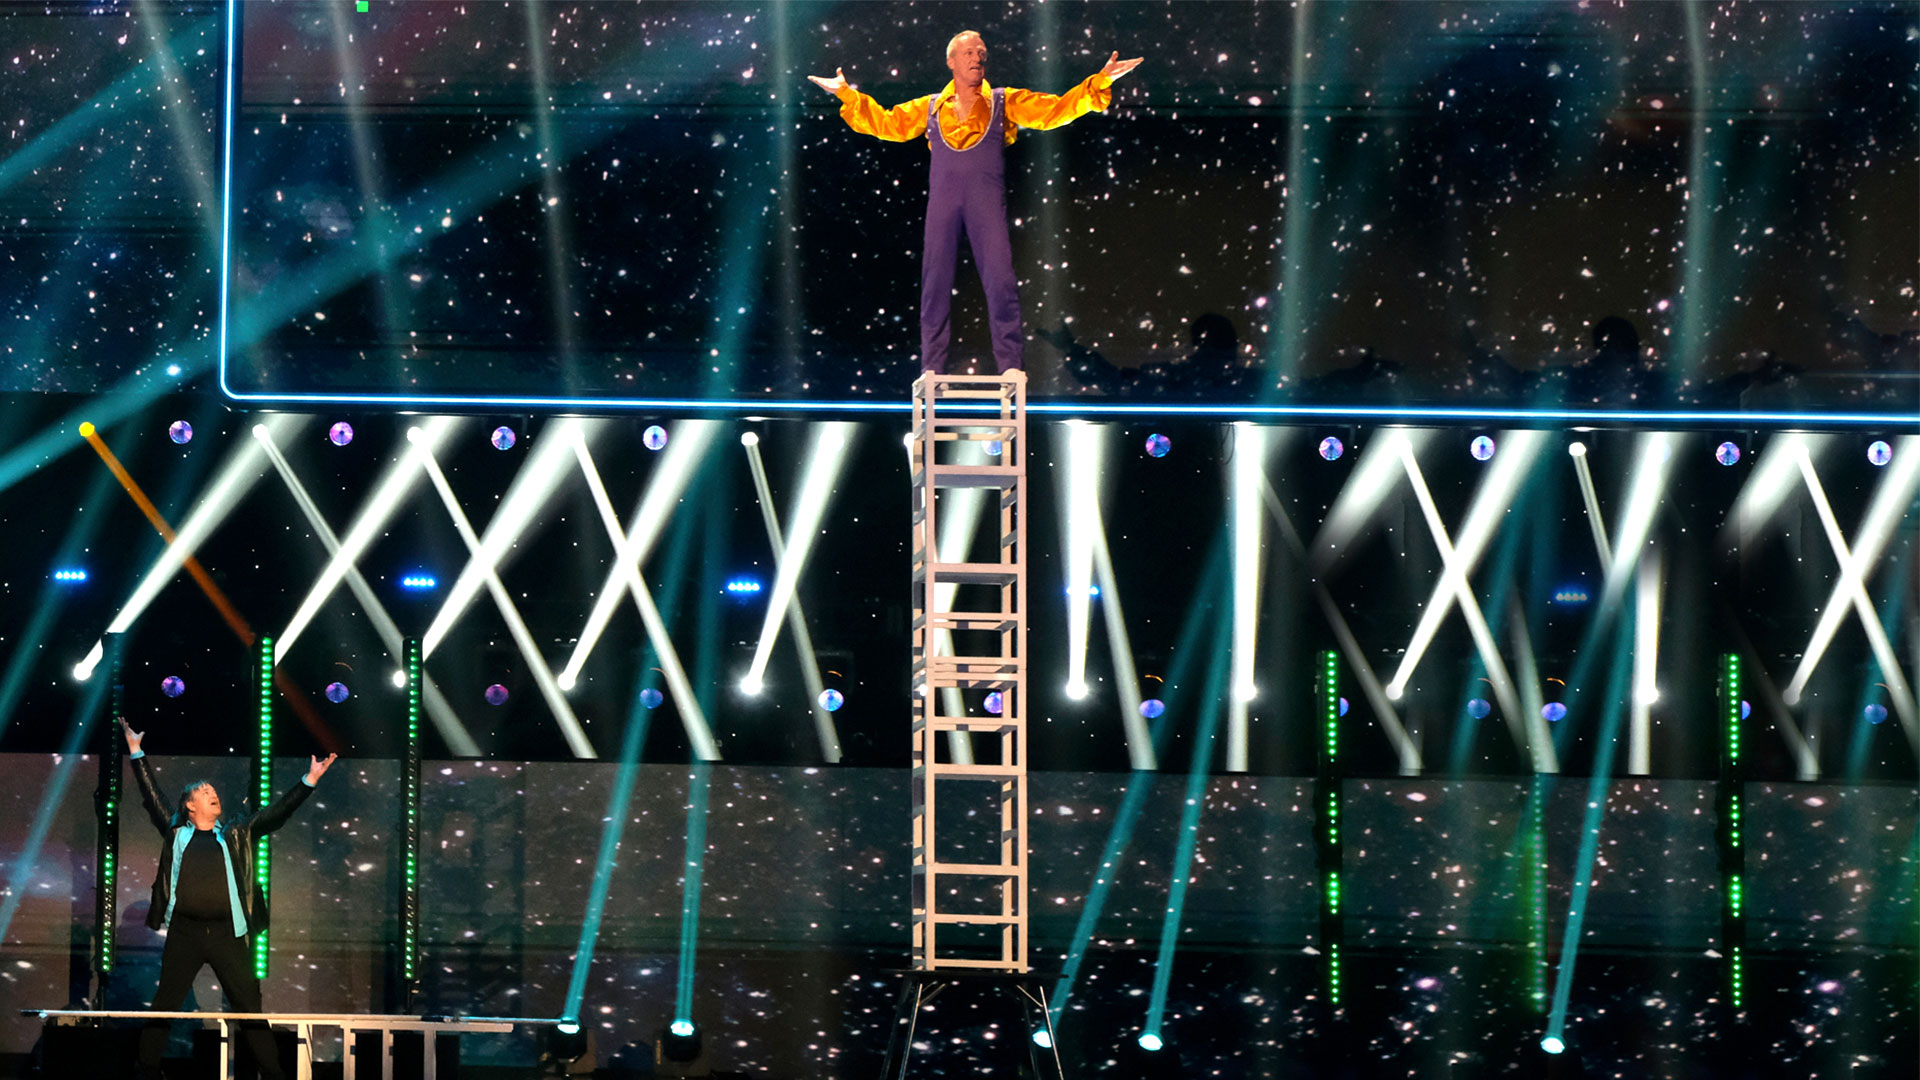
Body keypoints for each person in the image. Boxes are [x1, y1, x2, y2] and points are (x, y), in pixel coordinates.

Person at [809, 33, 1142, 376]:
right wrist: (846, 93)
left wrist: (1101, 81)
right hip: (944, 204)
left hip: (985, 203)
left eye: (982, 52)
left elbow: (1054, 110)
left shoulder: (1003, 101)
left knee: (1001, 281)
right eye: (969, 52)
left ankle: (1011, 364)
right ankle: (932, 366)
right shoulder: (931, 107)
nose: (977, 57)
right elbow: (887, 123)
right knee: (935, 281)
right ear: (951, 61)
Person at [123, 720, 337, 1080]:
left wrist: (310, 779)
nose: (212, 792)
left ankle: (273, 1074)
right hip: (185, 933)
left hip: (228, 934)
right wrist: (136, 752)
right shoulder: (175, 833)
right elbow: (151, 795)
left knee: (249, 1008)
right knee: (165, 1004)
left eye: (212, 789)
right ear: (190, 806)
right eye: (203, 791)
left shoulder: (238, 833)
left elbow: (276, 814)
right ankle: (146, 1070)